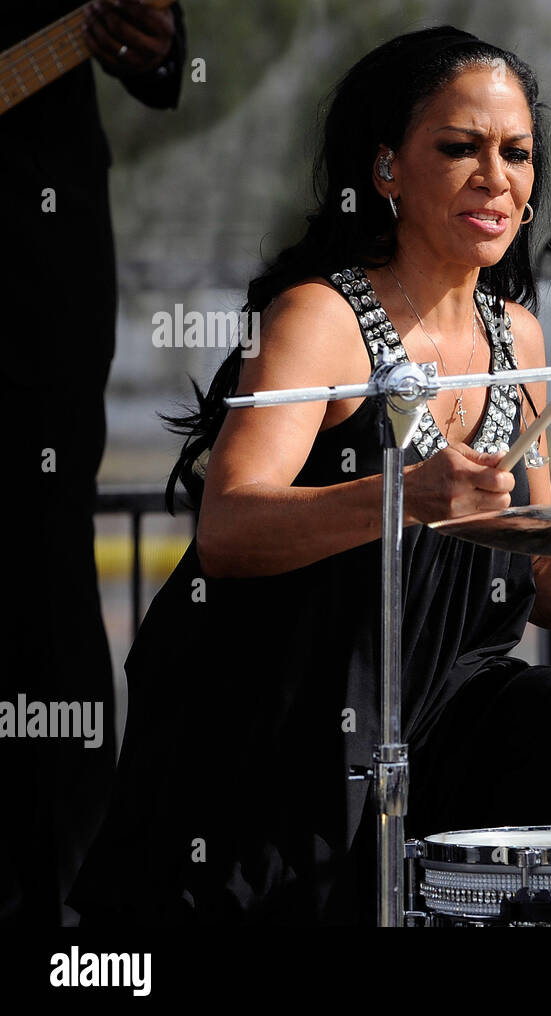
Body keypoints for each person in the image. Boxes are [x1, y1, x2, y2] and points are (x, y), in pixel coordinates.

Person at [67, 25, 551, 926]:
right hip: (281, 715)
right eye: (459, 148)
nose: (497, 177)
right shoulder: (319, 316)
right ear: (388, 169)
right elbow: (230, 529)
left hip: (433, 711)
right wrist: (405, 496)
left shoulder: (518, 338)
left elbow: (544, 564)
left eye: (516, 154)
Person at [0, 0, 185, 926]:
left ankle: (61, 904)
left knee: (42, 565)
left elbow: (153, 37)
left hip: (32, 262)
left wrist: (158, 45)